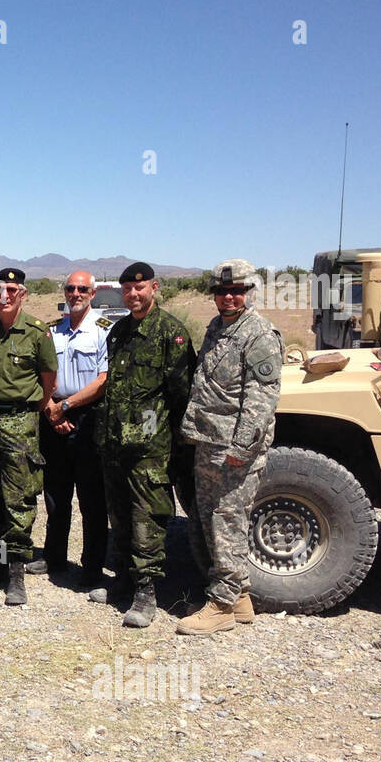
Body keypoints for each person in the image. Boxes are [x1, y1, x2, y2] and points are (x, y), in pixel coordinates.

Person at [176, 258, 283, 635]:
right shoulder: (218, 329)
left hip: (235, 449)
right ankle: (239, 599)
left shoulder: (259, 334)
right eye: (222, 292)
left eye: (236, 291)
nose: (229, 297)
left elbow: (261, 397)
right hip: (209, 441)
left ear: (248, 292)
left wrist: (242, 446)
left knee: (227, 520)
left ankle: (221, 606)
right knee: (208, 519)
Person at [90, 261, 195, 628]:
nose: (133, 294)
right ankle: (122, 580)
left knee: (146, 520)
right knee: (118, 516)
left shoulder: (171, 332)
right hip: (116, 442)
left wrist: (179, 444)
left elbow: (181, 393)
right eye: (127, 289)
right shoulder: (118, 331)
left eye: (140, 288)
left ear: (154, 288)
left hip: (151, 448)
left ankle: (147, 593)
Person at [0, 268, 58, 605]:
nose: (5, 296)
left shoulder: (37, 332)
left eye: (11, 290)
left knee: (18, 499)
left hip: (20, 420)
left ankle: (17, 573)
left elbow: (49, 376)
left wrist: (37, 405)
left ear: (22, 294)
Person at [26, 271, 110, 586]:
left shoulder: (104, 331)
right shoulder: (51, 331)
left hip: (86, 419)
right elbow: (40, 373)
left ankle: (91, 567)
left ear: (93, 292)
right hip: (52, 417)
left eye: (82, 289)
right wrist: (50, 408)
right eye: (71, 288)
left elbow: (103, 380)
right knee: (55, 494)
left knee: (91, 498)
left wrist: (66, 406)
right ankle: (54, 557)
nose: (75, 293)